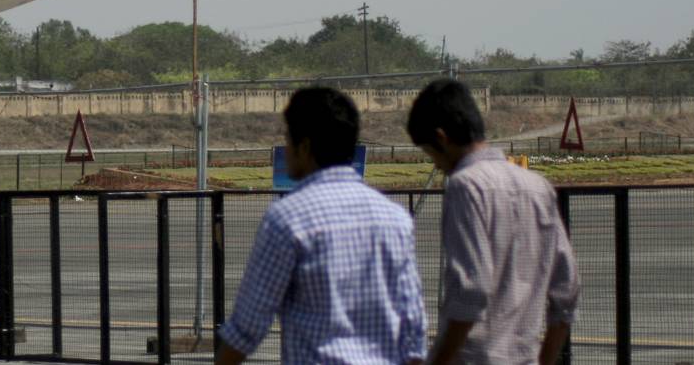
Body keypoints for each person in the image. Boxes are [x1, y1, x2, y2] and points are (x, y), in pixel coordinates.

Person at [217, 87, 425, 365]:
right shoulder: (395, 219)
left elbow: (247, 326)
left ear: (304, 147)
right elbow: (412, 327)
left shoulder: (288, 219)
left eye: (288, 139)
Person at [408, 79, 579, 365]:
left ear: (441, 138)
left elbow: (471, 288)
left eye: (431, 155)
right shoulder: (537, 185)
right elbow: (566, 288)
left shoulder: (465, 185)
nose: (437, 166)